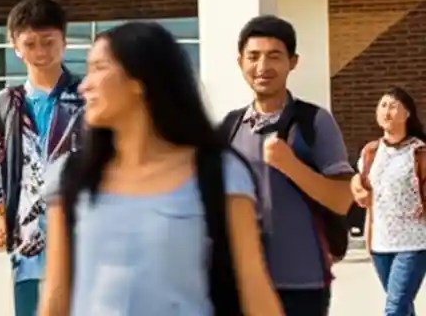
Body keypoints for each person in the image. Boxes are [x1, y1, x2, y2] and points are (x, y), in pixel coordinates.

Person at [38, 21, 282, 316]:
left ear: (139, 80)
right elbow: (55, 296)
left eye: (99, 68)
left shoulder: (219, 174)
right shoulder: (71, 177)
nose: (84, 85)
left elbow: (254, 288)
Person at [220, 15, 354, 316]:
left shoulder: (314, 122)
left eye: (274, 56)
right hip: (240, 282)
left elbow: (343, 200)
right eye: (253, 57)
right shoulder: (228, 127)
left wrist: (290, 165)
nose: (262, 67)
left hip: (301, 284)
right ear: (240, 61)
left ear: (292, 62)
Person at [0, 0, 86, 316]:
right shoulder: (5, 103)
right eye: (30, 43)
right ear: (15, 46)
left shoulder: (87, 95)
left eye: (48, 42)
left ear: (64, 42)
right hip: (27, 233)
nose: (40, 52)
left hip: (81, 228)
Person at [351, 87, 426, 316]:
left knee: (394, 308)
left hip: (414, 242)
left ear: (407, 114)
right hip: (380, 243)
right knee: (402, 306)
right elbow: (359, 180)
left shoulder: (419, 152)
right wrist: (357, 188)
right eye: (383, 105)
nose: (387, 111)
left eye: (393, 106)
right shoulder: (370, 152)